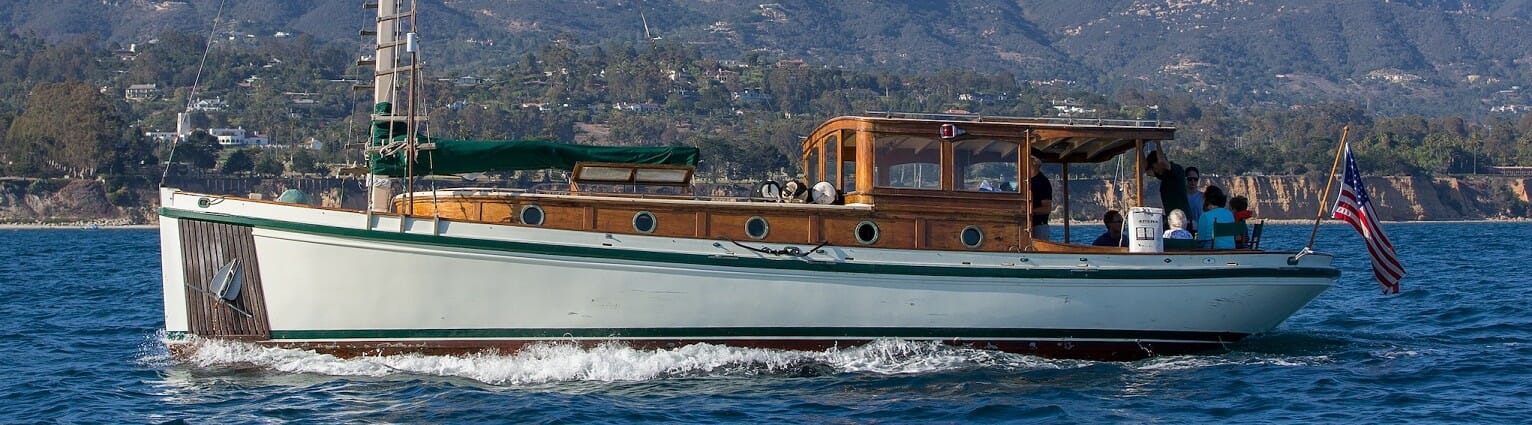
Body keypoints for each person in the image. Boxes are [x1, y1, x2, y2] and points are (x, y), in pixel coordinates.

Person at [1143, 150, 1192, 230]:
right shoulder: (1164, 176)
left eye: (1155, 168)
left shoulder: (1177, 170)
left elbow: (1163, 162)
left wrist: (1157, 144)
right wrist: (1141, 149)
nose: (1155, 171)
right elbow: (1148, 171)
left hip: (1184, 221)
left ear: (1159, 164)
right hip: (1173, 221)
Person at [1027, 155, 1053, 241]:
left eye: (1027, 158)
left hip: (1039, 227)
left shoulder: (1043, 182)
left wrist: (1029, 211)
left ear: (1034, 162)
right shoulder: (1026, 181)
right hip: (1027, 226)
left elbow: (1047, 209)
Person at [1184, 166, 1203, 232]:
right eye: (1190, 179)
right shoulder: (1181, 197)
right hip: (1185, 232)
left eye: (1195, 179)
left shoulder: (1203, 197)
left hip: (1200, 232)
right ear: (1185, 179)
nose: (1193, 181)